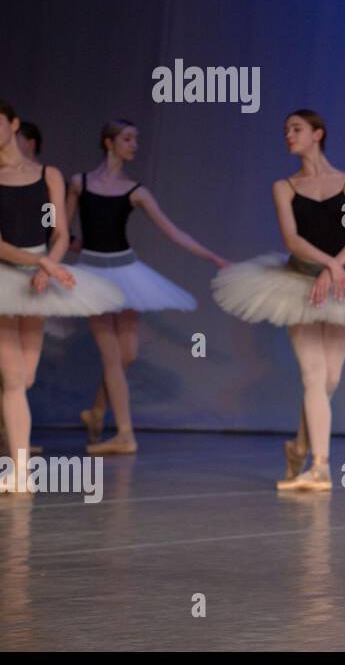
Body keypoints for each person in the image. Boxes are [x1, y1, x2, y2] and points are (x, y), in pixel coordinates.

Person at [212, 110, 345, 490]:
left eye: (296, 129)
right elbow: (292, 240)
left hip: (340, 281)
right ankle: (320, 468)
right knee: (313, 376)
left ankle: (298, 445)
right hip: (299, 283)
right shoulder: (285, 186)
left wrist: (335, 268)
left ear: (317, 134)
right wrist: (328, 266)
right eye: (286, 131)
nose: (288, 136)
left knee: (330, 379)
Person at [67, 118, 228, 455]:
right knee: (112, 357)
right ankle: (125, 434)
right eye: (128, 139)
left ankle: (96, 410)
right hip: (93, 273)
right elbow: (57, 225)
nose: (134, 145)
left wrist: (210, 255)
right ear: (109, 142)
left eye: (136, 140)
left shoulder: (136, 190)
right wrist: (68, 245)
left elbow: (172, 231)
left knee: (128, 354)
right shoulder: (79, 183)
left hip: (126, 270)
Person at [0, 102, 125, 492]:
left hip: (39, 276)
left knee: (27, 375)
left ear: (14, 124)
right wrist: (45, 267)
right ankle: (19, 472)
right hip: (5, 276)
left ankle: (15, 460)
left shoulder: (46, 175)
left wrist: (49, 263)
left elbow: (56, 229)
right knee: (14, 378)